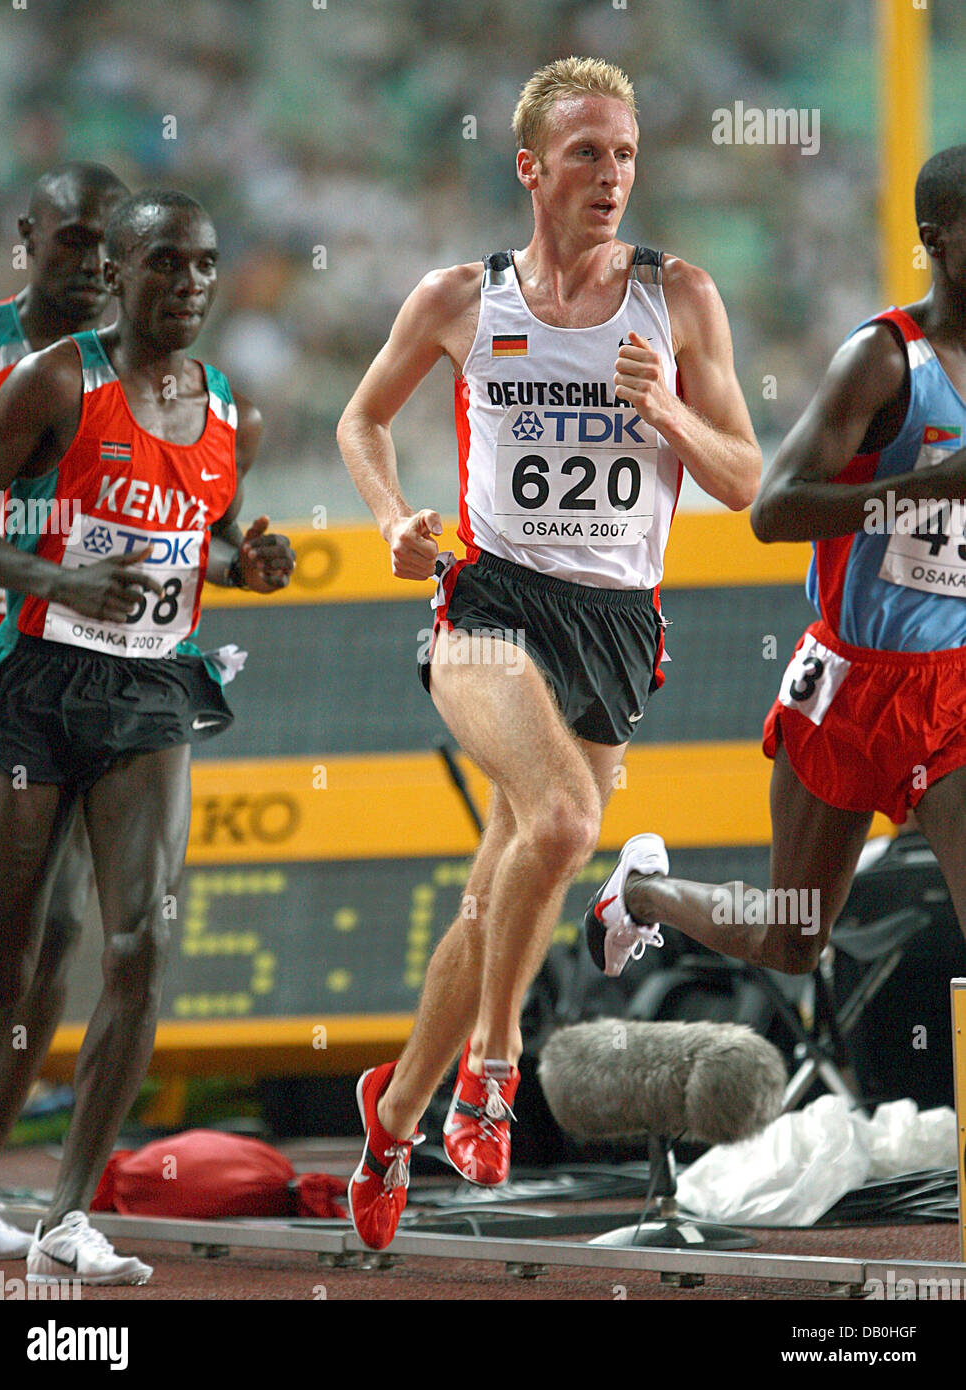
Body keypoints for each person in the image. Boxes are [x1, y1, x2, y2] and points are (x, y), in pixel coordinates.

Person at [337, 56, 761, 1250]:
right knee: (566, 828)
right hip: (490, 603)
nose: (611, 176)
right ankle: (491, 1066)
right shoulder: (460, 299)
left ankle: (394, 1110)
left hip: (617, 623)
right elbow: (360, 418)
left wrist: (666, 411)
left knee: (497, 893)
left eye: (625, 154)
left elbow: (745, 481)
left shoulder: (677, 300)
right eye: (586, 153)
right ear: (529, 167)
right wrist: (390, 520)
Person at [0, 189, 293, 1284]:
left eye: (207, 267)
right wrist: (55, 578)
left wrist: (244, 564)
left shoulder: (231, 412)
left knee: (140, 941)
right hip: (39, 683)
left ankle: (65, 1213)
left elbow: (200, 530)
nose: (192, 286)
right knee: (3, 966)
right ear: (121, 271)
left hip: (152, 690)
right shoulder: (56, 379)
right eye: (168, 265)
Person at [589, 145, 966, 983]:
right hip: (849, 687)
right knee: (791, 941)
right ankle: (642, 894)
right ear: (937, 242)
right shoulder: (881, 360)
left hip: (953, 691)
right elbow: (772, 510)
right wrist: (924, 489)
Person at [0, 162, 129, 1263]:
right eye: (71, 241)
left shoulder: (128, 377)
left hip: (51, 672)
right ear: (28, 236)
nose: (91, 265)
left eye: (109, 247)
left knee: (63, 929)